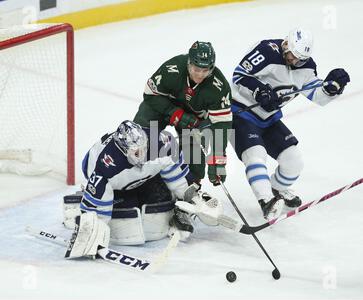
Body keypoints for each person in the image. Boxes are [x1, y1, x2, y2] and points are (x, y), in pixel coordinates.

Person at [230, 27, 350, 220]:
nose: (295, 61)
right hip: (240, 113)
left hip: (269, 118)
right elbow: (239, 75)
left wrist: (332, 89)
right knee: (256, 155)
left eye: (300, 59)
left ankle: (276, 190)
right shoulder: (266, 51)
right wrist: (259, 90)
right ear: (286, 44)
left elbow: (316, 95)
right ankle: (266, 201)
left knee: (293, 161)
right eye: (292, 56)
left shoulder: (307, 66)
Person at [63, 120, 225, 259]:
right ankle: (85, 198)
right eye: (135, 152)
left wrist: (193, 199)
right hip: (111, 182)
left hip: (140, 177)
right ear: (123, 149)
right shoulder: (107, 165)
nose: (142, 154)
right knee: (127, 219)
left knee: (158, 202)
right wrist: (92, 231)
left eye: (144, 147)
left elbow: (178, 177)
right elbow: (98, 210)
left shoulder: (162, 142)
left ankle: (177, 213)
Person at [133, 41, 232, 187]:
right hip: (162, 108)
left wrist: (218, 159)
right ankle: (131, 175)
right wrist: (174, 112)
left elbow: (222, 124)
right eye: (196, 69)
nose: (200, 74)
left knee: (195, 159)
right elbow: (150, 94)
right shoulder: (172, 69)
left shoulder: (219, 86)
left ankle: (187, 190)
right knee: (141, 136)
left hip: (194, 121)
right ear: (188, 63)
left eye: (205, 70)